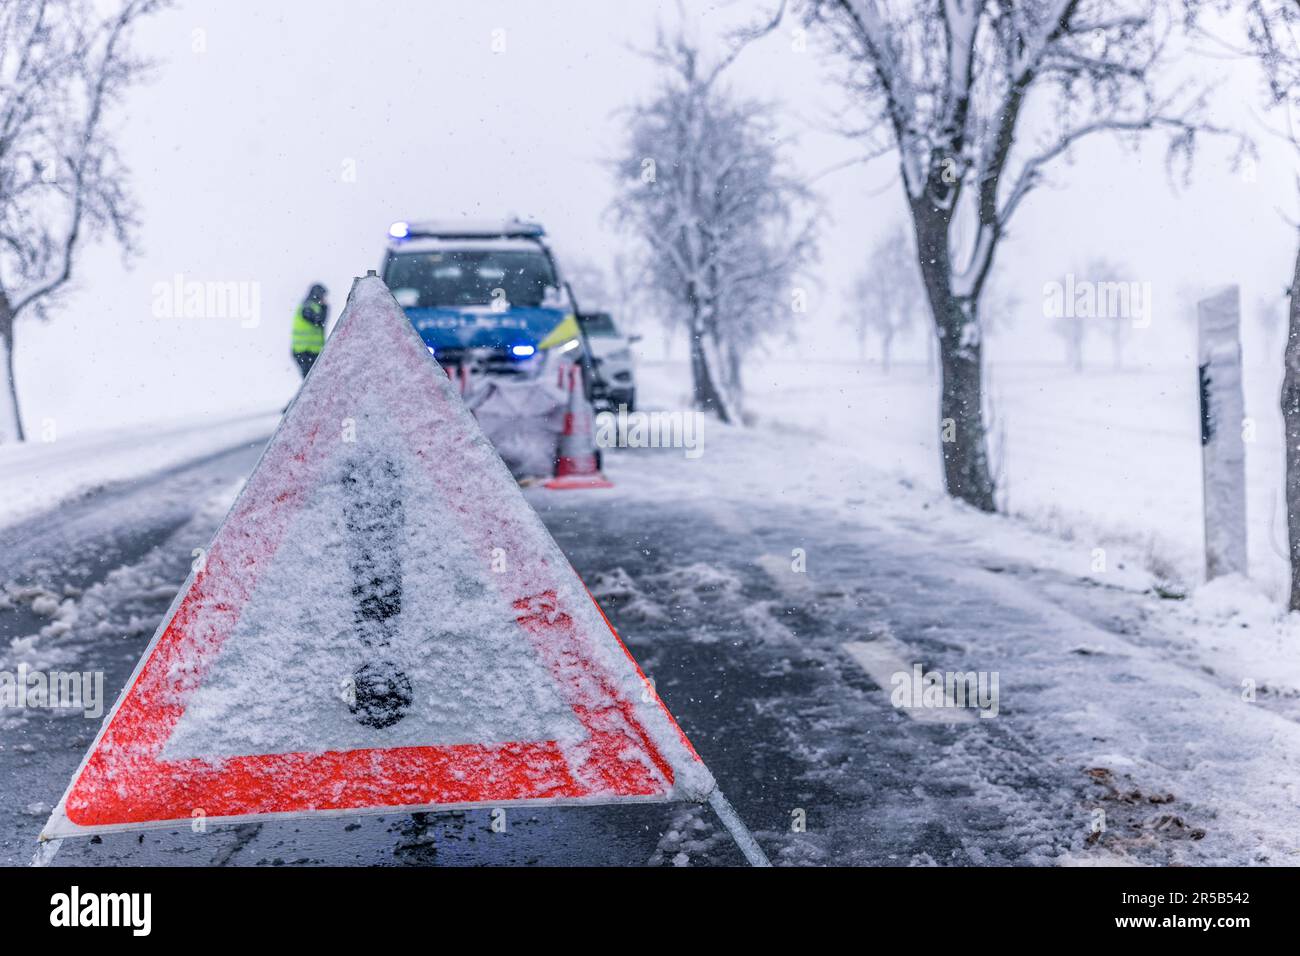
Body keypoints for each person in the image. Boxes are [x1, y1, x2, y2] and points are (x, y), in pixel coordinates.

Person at [291, 284, 329, 378]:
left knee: (313, 379)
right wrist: (324, 308)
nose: (324, 299)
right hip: (304, 352)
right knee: (311, 378)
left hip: (311, 352)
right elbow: (318, 321)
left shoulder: (313, 307)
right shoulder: (307, 307)